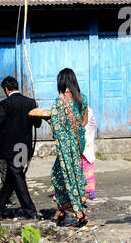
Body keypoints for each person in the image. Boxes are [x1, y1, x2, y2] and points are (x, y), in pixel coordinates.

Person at [30, 68, 90, 227]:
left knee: (65, 176)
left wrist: (47, 119)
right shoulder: (82, 98)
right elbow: (84, 121)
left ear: (61, 82)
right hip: (78, 143)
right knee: (70, 174)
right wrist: (75, 132)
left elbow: (57, 127)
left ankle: (78, 212)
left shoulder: (59, 101)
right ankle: (64, 210)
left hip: (65, 146)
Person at [0, 76, 41, 219]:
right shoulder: (30, 102)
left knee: (17, 176)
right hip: (23, 147)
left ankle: (31, 212)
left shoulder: (6, 104)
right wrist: (36, 110)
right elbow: (37, 124)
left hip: (10, 148)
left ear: (6, 89)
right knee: (12, 177)